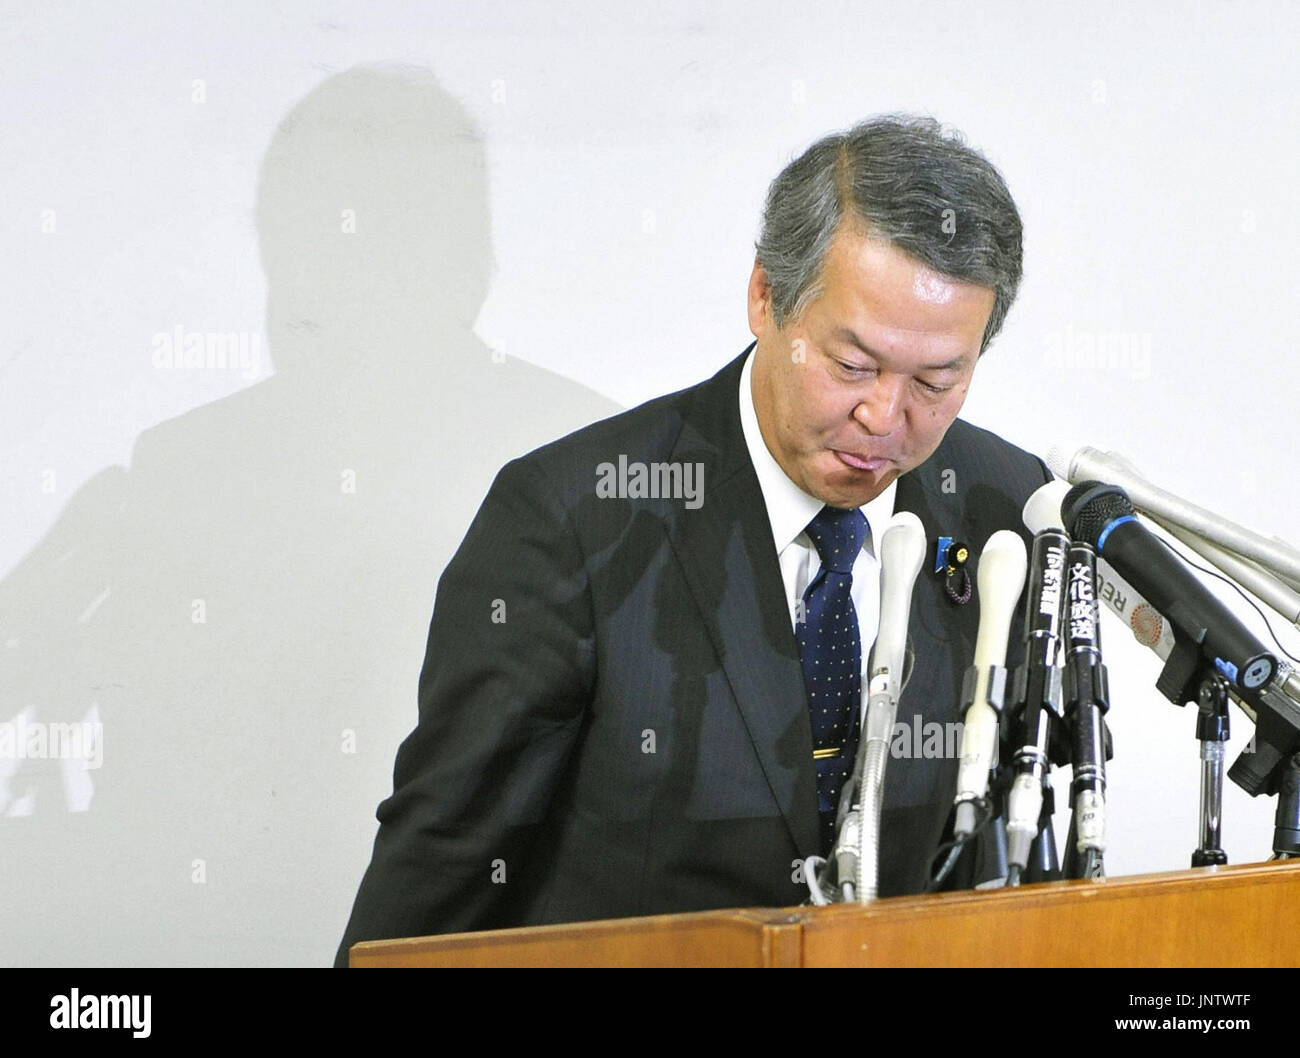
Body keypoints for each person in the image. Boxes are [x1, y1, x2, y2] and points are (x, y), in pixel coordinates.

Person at [334, 114, 1051, 966]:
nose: (885, 418)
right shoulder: (575, 517)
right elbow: (444, 869)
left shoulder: (1000, 505)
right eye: (853, 365)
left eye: (938, 380)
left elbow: (1009, 852)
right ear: (764, 297)